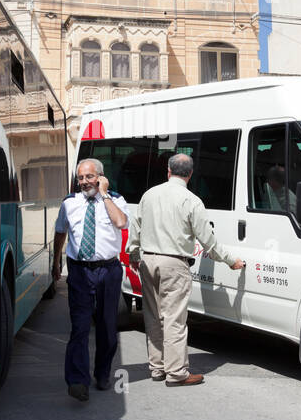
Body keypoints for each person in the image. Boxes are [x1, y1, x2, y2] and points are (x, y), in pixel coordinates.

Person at [127, 153, 244, 387]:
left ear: (168, 171)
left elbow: (135, 227)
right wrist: (231, 260)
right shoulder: (191, 200)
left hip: (148, 260)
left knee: (152, 315)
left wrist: (133, 254)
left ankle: (157, 368)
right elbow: (208, 241)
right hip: (174, 262)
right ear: (190, 174)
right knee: (174, 319)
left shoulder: (149, 195)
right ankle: (176, 373)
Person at [53, 158, 129, 402]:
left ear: (101, 177)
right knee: (80, 326)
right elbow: (60, 231)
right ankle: (77, 381)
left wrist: (104, 194)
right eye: (81, 178)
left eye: (89, 177)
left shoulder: (115, 200)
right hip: (79, 271)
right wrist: (56, 261)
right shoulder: (69, 203)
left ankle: (103, 373)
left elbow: (121, 222)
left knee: (107, 328)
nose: (84, 182)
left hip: (108, 270)